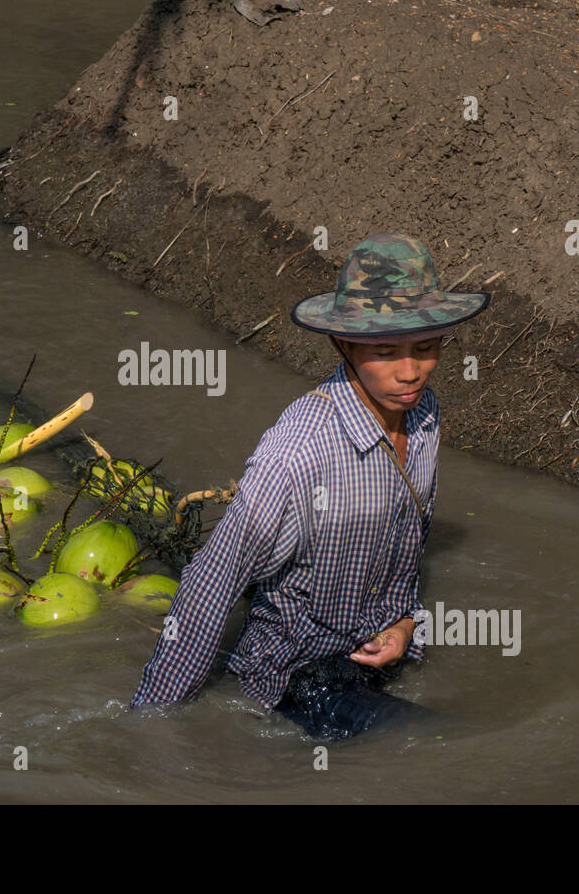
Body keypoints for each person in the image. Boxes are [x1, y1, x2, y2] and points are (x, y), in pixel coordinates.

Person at [129, 232, 490, 739]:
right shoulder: (298, 454)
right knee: (441, 748)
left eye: (426, 347)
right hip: (296, 676)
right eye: (386, 351)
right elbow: (211, 586)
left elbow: (408, 545)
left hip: (377, 657)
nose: (411, 372)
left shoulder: (424, 413)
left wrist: (408, 626)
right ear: (343, 343)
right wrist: (150, 725)